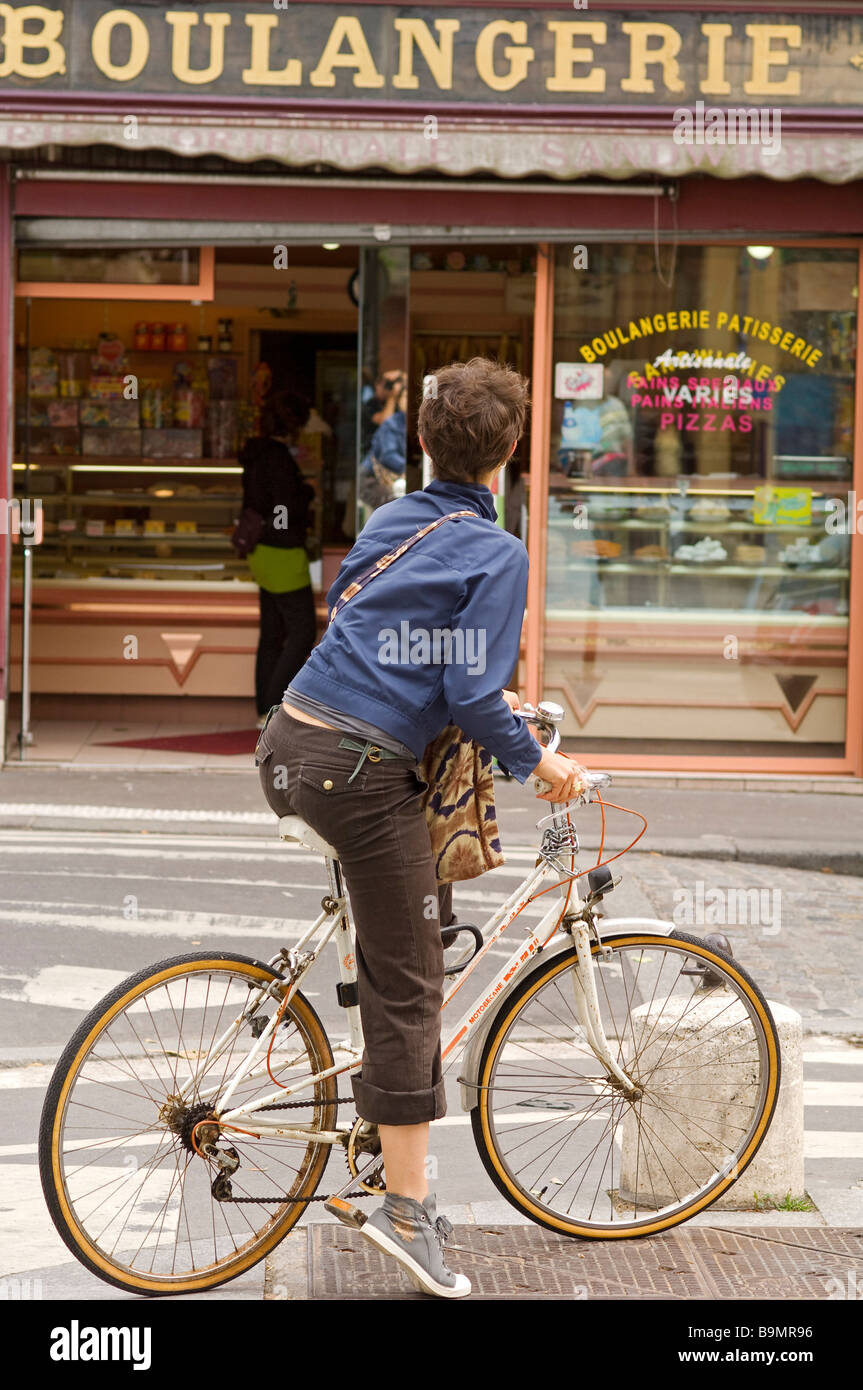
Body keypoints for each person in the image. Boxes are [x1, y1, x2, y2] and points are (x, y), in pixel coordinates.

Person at [256, 357, 588, 1298]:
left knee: (402, 937)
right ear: (511, 449)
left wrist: (476, 698)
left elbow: (369, 627)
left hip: (290, 740)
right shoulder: (498, 552)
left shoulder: (392, 517)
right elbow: (470, 693)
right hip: (358, 772)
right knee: (411, 988)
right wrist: (541, 764)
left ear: (424, 444)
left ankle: (378, 1131)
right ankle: (404, 1209)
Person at [238, 390, 317, 723]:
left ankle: (263, 708)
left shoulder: (255, 453)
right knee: (302, 631)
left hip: (260, 553)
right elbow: (286, 508)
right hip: (283, 553)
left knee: (271, 633)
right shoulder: (280, 458)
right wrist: (307, 491)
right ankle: (273, 706)